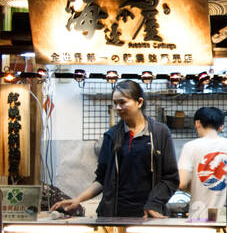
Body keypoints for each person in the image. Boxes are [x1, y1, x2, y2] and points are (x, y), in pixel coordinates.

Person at [52, 80, 178, 219]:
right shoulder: (111, 136)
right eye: (115, 103)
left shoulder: (160, 133)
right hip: (114, 215)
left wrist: (154, 203)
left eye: (122, 102)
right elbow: (101, 179)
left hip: (149, 215)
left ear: (139, 102)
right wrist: (78, 199)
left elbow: (170, 178)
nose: (118, 107)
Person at [178, 107, 227, 221]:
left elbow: (182, 183)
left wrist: (196, 185)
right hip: (224, 216)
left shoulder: (190, 147)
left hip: (198, 215)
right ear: (221, 126)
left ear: (197, 123)